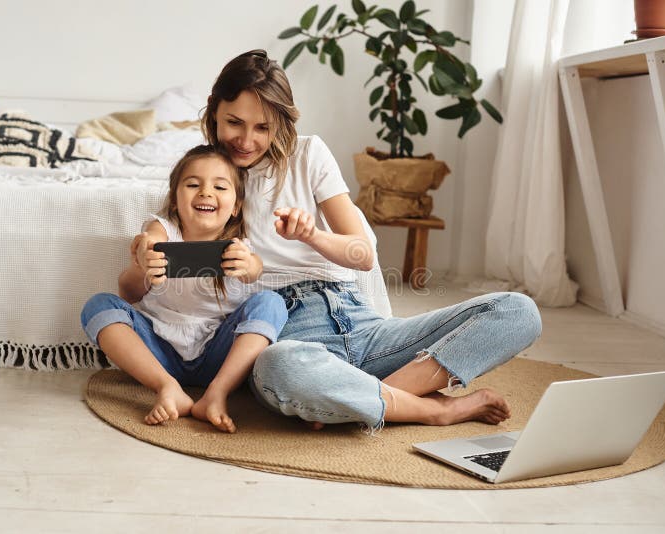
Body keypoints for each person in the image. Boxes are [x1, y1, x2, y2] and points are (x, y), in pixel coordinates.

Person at [124, 50, 543, 433]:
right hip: (285, 331)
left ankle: (363, 397)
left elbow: (362, 255)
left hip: (358, 319)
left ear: (282, 124)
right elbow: (171, 248)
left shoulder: (309, 155)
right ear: (214, 113)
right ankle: (434, 409)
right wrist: (149, 256)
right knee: (280, 369)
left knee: (516, 311)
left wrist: (313, 235)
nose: (246, 140)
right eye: (234, 122)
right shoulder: (210, 180)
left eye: (262, 127)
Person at [81, 144, 287, 433]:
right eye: (193, 184)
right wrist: (143, 259)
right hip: (160, 353)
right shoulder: (164, 229)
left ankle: (217, 393)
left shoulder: (238, 245)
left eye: (219, 186)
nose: (205, 192)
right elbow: (137, 271)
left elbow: (254, 270)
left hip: (217, 355)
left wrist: (249, 265)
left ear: (236, 205)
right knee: (98, 305)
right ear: (175, 199)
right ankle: (168, 388)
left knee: (271, 302)